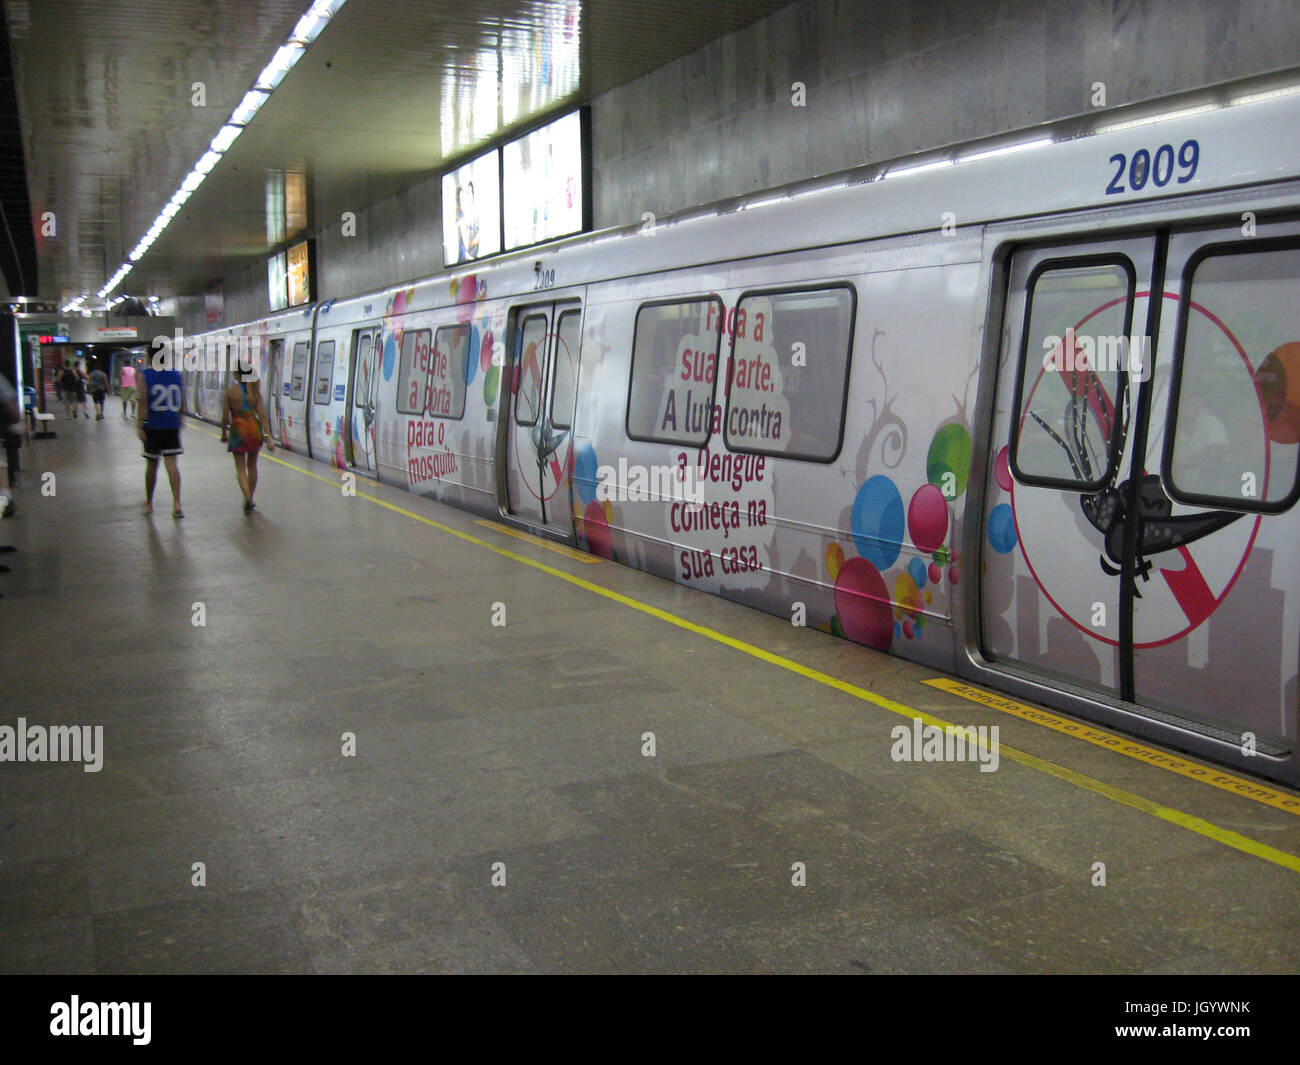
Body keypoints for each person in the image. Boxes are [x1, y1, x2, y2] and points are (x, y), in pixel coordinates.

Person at [219, 367, 275, 513]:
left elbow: (225, 417)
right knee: (252, 467)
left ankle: (247, 497)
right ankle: (250, 497)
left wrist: (224, 434)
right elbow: (262, 416)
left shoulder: (230, 393)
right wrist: (269, 438)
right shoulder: (255, 392)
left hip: (239, 430)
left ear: (237, 375)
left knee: (241, 469)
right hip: (254, 430)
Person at [137, 355, 185, 518]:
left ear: (151, 357)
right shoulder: (176, 374)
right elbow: (181, 398)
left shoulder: (146, 375)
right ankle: (177, 503)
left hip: (153, 424)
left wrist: (138, 425)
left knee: (152, 465)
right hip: (172, 424)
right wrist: (181, 416)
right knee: (172, 464)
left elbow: (143, 400)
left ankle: (149, 502)